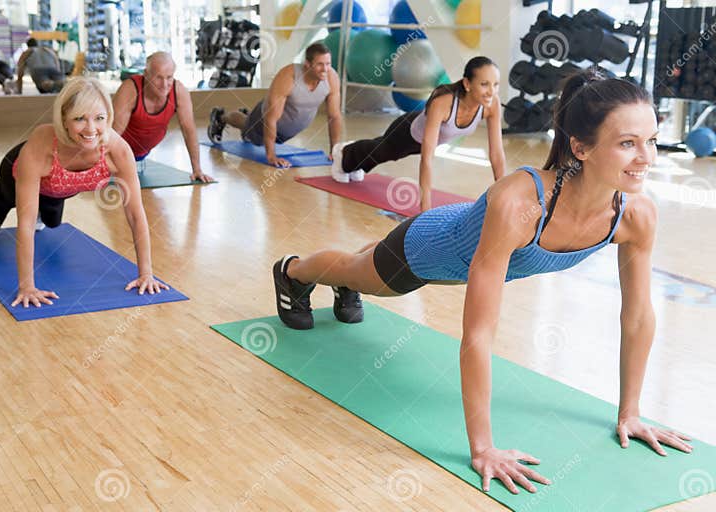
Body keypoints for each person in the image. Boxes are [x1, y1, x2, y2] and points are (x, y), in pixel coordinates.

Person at [271, 69, 693, 493]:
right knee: (356, 272)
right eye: (627, 144)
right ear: (581, 147)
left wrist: (631, 414)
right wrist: (483, 448)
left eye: (652, 140)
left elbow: (637, 317)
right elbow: (477, 334)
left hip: (473, 257)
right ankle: (292, 271)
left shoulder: (636, 215)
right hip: (427, 251)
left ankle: (351, 273)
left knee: (361, 266)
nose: (647, 157)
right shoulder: (520, 202)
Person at [0, 77, 168, 307]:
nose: (91, 129)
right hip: (16, 173)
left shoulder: (117, 151)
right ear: (64, 119)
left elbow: (135, 214)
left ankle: (43, 206)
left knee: (53, 223)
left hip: (58, 188)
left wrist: (146, 273)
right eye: (79, 118)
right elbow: (25, 223)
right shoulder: (42, 145)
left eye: (99, 118)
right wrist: (27, 286)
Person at [330, 56, 506, 211]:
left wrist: (502, 195)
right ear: (467, 84)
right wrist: (425, 207)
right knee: (383, 152)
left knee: (379, 150)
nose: (491, 91)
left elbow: (496, 154)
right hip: (406, 132)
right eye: (484, 84)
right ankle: (344, 153)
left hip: (425, 139)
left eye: (495, 84)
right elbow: (427, 158)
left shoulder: (492, 104)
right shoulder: (443, 103)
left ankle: (352, 156)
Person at [207, 43, 342, 168]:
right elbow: (270, 118)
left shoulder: (331, 78)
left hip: (287, 130)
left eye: (328, 64)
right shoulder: (288, 77)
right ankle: (221, 117)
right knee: (249, 130)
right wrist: (271, 156)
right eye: (319, 64)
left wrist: (334, 151)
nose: (325, 69)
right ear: (307, 64)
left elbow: (334, 116)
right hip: (265, 119)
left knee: (252, 130)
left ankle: (247, 116)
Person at [112, 52, 214, 182]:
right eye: (158, 78)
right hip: (118, 153)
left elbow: (189, 131)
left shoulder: (178, 91)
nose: (164, 84)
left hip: (141, 153)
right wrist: (100, 167)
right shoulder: (130, 89)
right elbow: (112, 134)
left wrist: (197, 169)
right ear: (146, 74)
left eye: (169, 77)